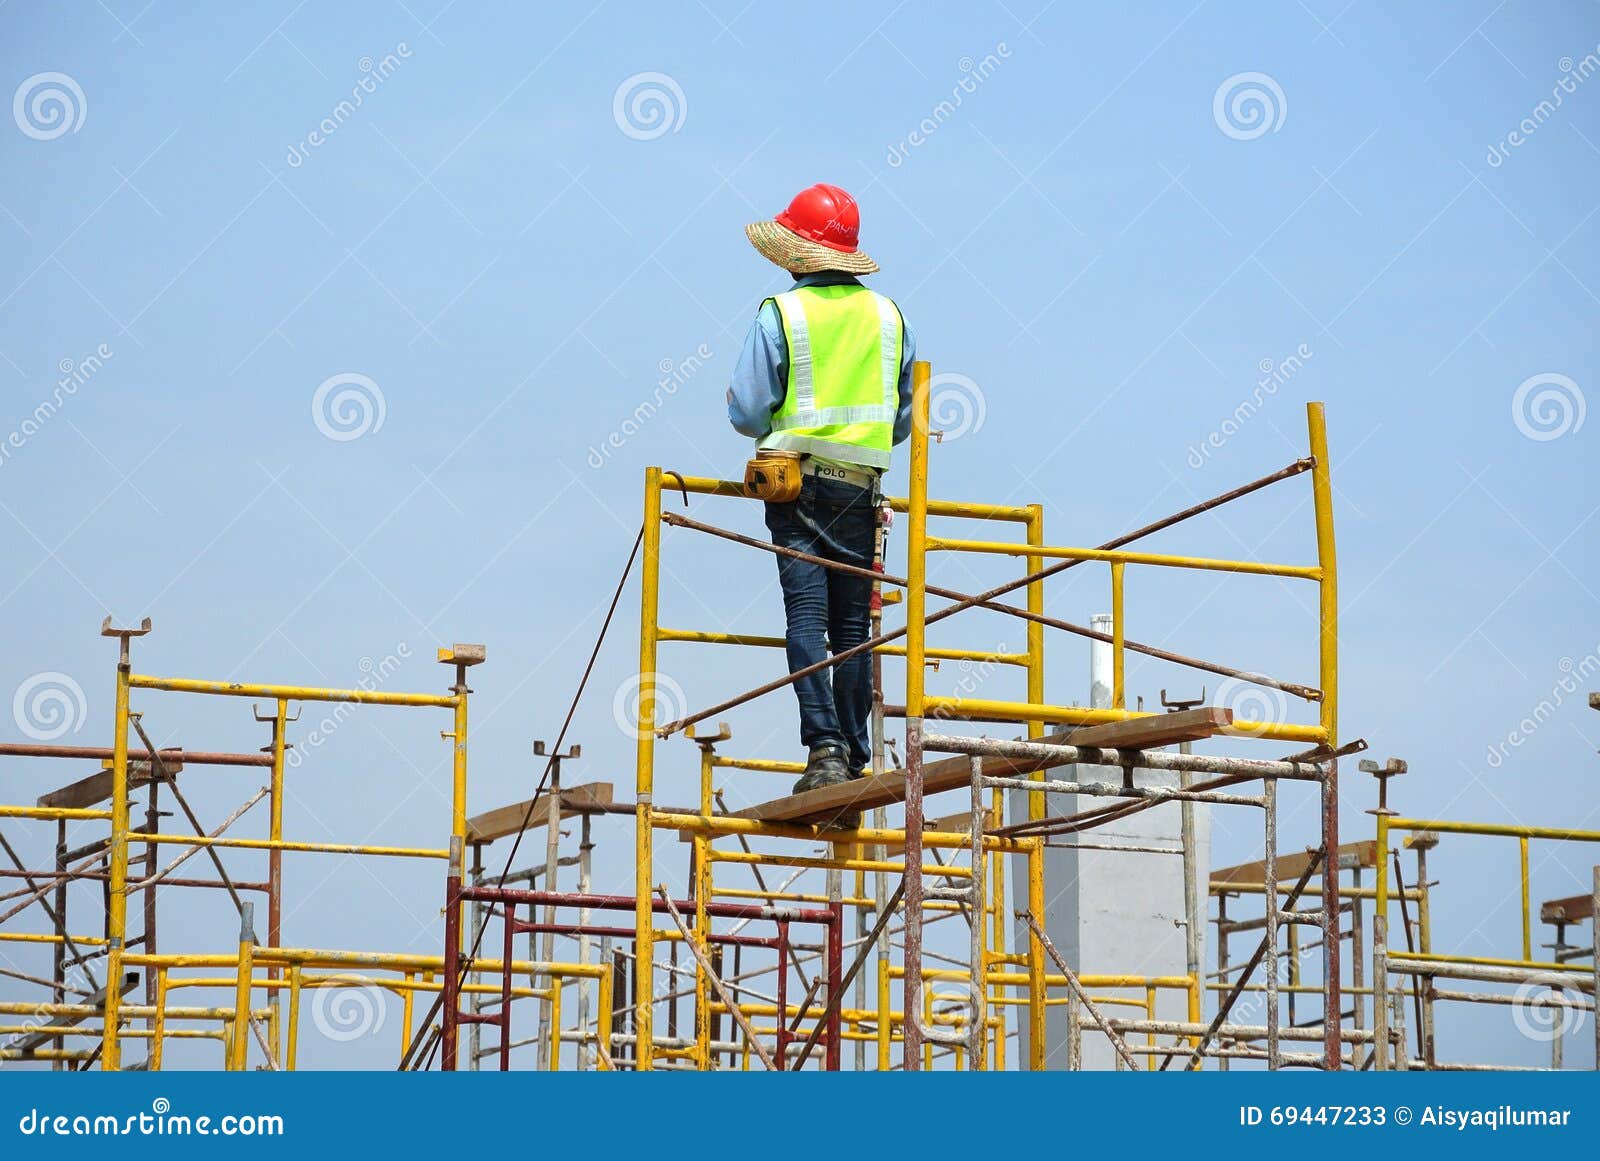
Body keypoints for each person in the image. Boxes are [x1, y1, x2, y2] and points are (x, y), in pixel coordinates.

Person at [727, 183, 917, 794]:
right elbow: (904, 414)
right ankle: (857, 749)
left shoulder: (781, 314)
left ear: (797, 254)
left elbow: (749, 412)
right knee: (853, 628)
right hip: (862, 491)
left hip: (797, 489)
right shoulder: (890, 317)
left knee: (807, 617)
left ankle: (827, 750)